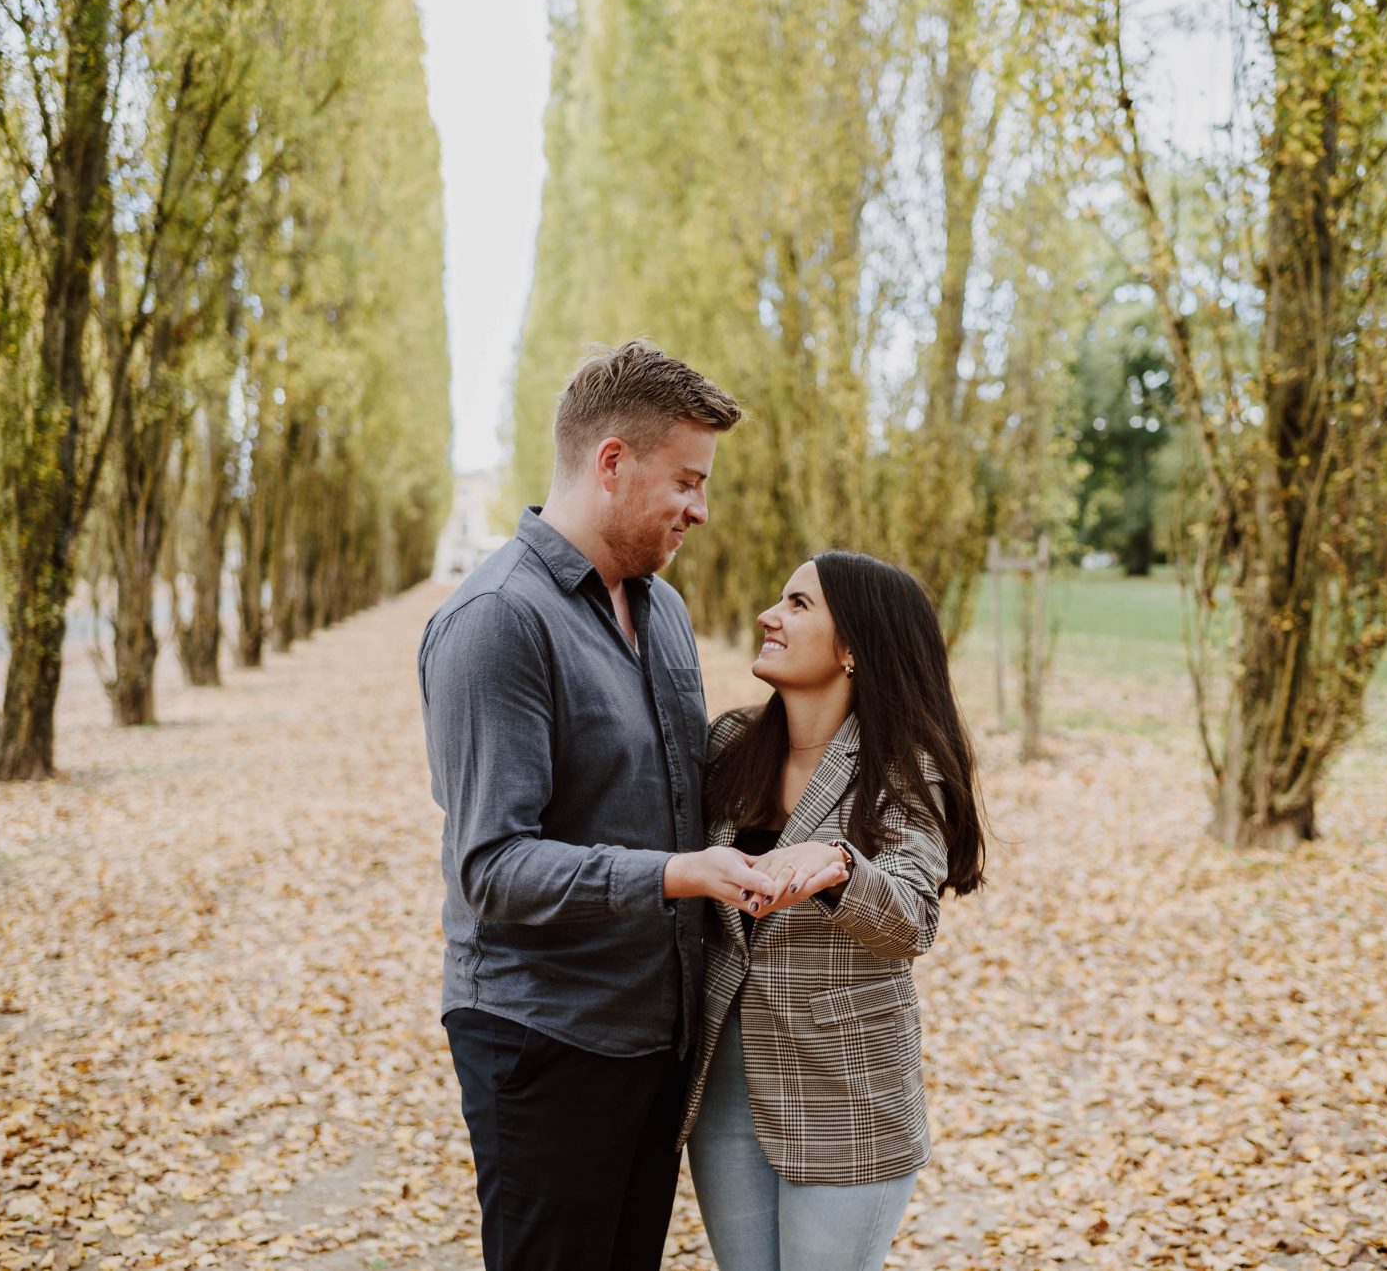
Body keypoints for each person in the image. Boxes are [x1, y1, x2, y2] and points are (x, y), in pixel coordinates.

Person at [419, 341, 769, 1271]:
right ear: (612, 462)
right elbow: (491, 868)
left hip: (655, 1035)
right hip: (546, 1040)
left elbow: (679, 789)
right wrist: (675, 875)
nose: (701, 508)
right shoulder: (498, 620)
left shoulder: (665, 611)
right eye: (687, 482)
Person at [680, 551, 987, 1271]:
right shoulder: (728, 746)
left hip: (849, 1095)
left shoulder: (905, 767)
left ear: (852, 648)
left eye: (798, 604)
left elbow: (912, 916)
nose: (768, 615)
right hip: (726, 1091)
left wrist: (841, 868)